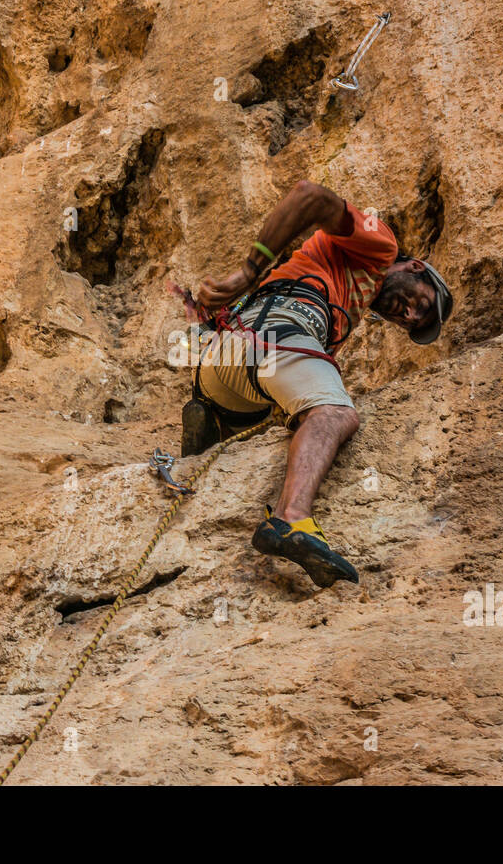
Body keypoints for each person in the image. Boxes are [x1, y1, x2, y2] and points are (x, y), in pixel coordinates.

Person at [189, 179, 453, 588]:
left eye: (412, 323)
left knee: (277, 409)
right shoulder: (381, 247)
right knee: (333, 412)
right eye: (422, 304)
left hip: (224, 355)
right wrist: (248, 270)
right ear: (416, 268)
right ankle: (292, 519)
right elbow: (309, 195)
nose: (411, 316)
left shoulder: (347, 293)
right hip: (280, 329)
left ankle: (215, 418)